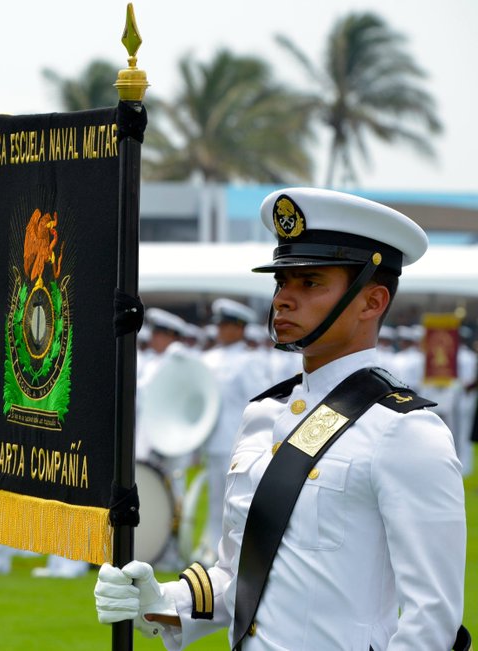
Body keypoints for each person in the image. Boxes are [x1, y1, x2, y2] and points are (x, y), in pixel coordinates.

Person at [94, 188, 466, 649]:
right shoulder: (261, 415)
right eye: (281, 282)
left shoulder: (404, 430)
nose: (284, 299)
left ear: (372, 301)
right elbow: (240, 574)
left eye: (310, 283)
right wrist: (159, 600)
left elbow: (432, 619)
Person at [197, 299, 271, 560]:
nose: (220, 330)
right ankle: (210, 548)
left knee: (237, 501)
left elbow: (258, 402)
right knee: (216, 499)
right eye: (219, 325)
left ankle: (233, 553)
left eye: (226, 325)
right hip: (213, 440)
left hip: (237, 441)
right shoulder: (208, 358)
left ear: (240, 328)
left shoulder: (248, 361)